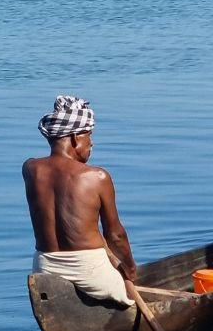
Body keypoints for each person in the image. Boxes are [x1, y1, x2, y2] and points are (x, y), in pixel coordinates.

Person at [23, 95, 137, 307]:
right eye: (89, 136)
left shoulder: (30, 169)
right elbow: (115, 235)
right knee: (133, 298)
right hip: (89, 271)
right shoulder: (97, 177)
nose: (91, 143)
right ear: (76, 138)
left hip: (45, 268)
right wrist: (130, 270)